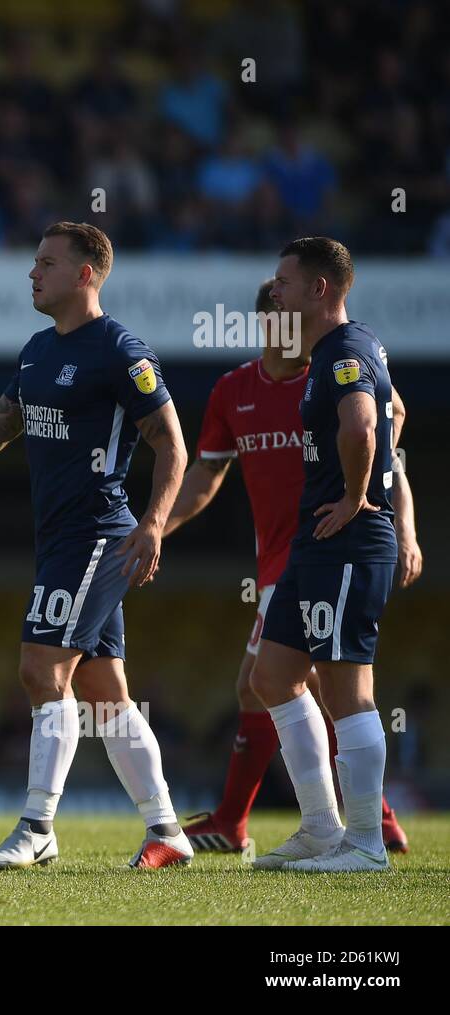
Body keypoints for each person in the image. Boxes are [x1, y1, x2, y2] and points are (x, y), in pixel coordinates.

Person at [0, 221, 193, 869]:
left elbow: (172, 444)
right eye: (34, 262)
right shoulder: (36, 350)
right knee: (105, 692)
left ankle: (37, 825)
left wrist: (152, 524)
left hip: (98, 533)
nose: (32, 273)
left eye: (47, 263)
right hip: (60, 539)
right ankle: (168, 829)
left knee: (40, 670)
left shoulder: (120, 350)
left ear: (86, 273)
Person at [166, 280, 420, 854]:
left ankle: (249, 822)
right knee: (283, 682)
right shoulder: (234, 390)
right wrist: (157, 526)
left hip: (324, 549)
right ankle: (361, 821)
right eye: (274, 316)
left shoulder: (332, 370)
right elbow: (206, 477)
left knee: (283, 682)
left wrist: (402, 524)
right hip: (288, 555)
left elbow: (387, 422)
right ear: (264, 324)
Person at [248, 238, 401, 872]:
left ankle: (365, 844)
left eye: (284, 282)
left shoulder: (343, 350)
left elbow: (365, 424)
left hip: (348, 537)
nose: (274, 291)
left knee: (347, 688)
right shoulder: (334, 353)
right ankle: (319, 827)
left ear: (321, 289)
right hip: (318, 543)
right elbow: (393, 410)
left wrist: (357, 497)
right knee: (272, 677)